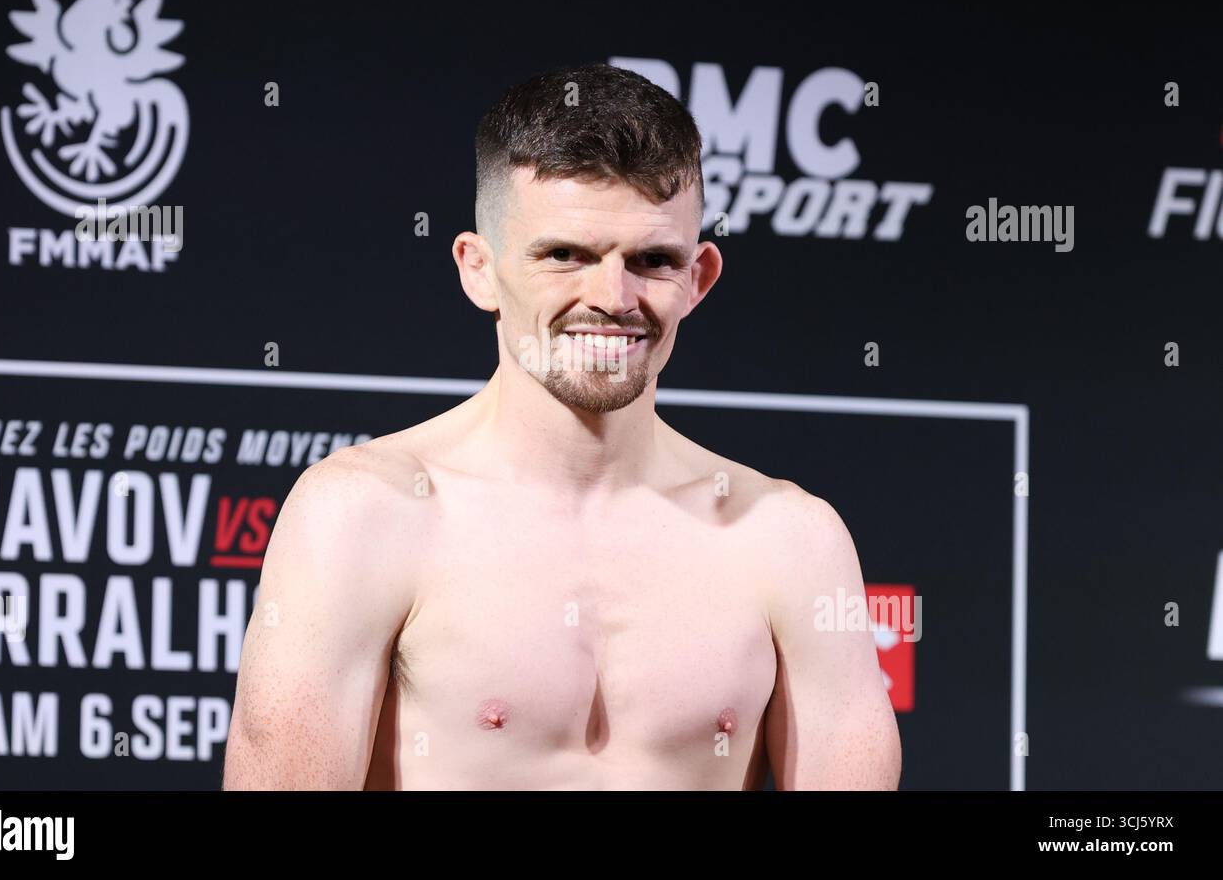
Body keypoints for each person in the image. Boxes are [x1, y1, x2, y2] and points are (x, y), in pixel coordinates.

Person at [223, 62, 900, 789]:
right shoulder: (362, 516)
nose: (612, 297)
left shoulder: (790, 541)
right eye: (565, 255)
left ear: (699, 278)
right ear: (478, 269)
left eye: (653, 260)